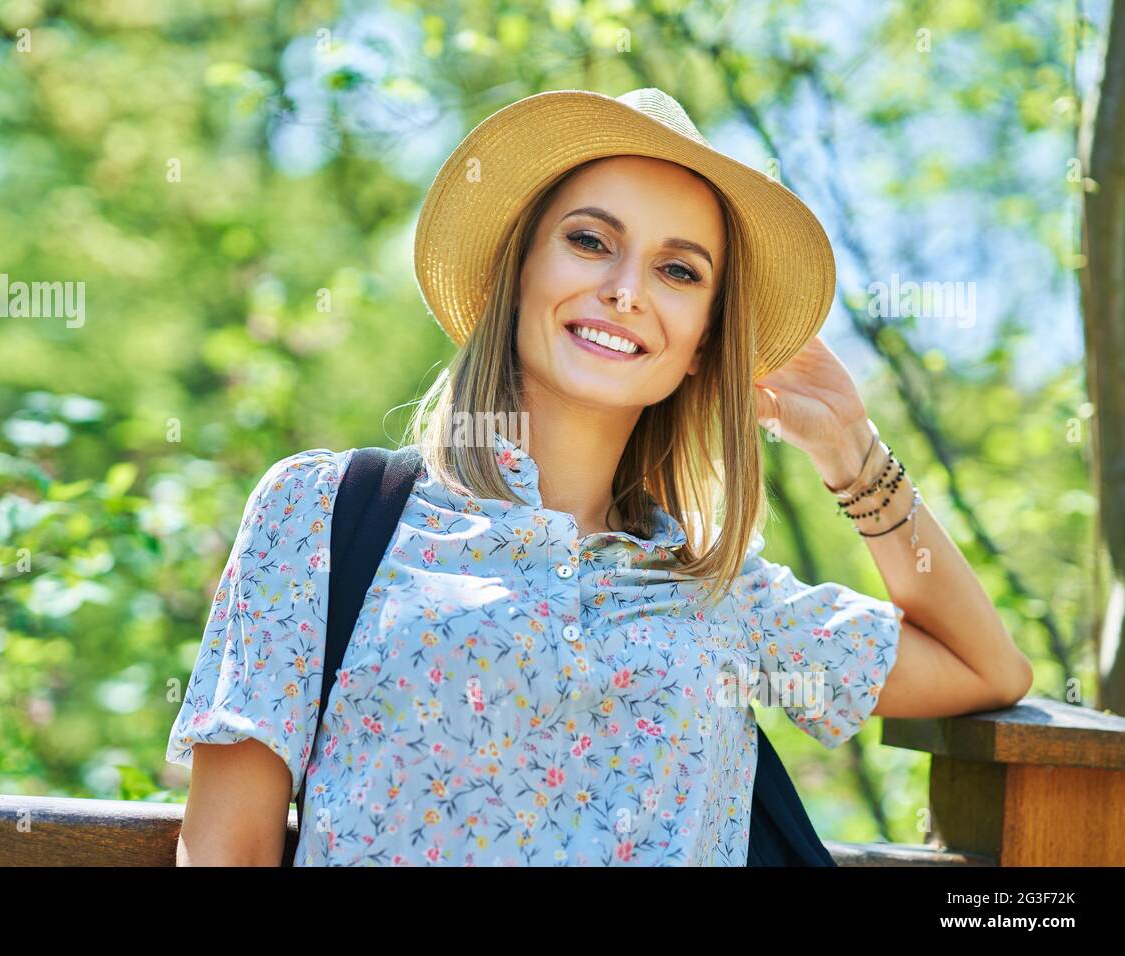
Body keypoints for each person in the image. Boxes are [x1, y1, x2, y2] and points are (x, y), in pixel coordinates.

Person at [167, 88, 1033, 866]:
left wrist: (852, 451)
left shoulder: (718, 593)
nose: (626, 291)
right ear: (517, 276)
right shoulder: (325, 513)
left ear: (701, 347)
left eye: (678, 271)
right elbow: (225, 850)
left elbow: (983, 666)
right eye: (590, 241)